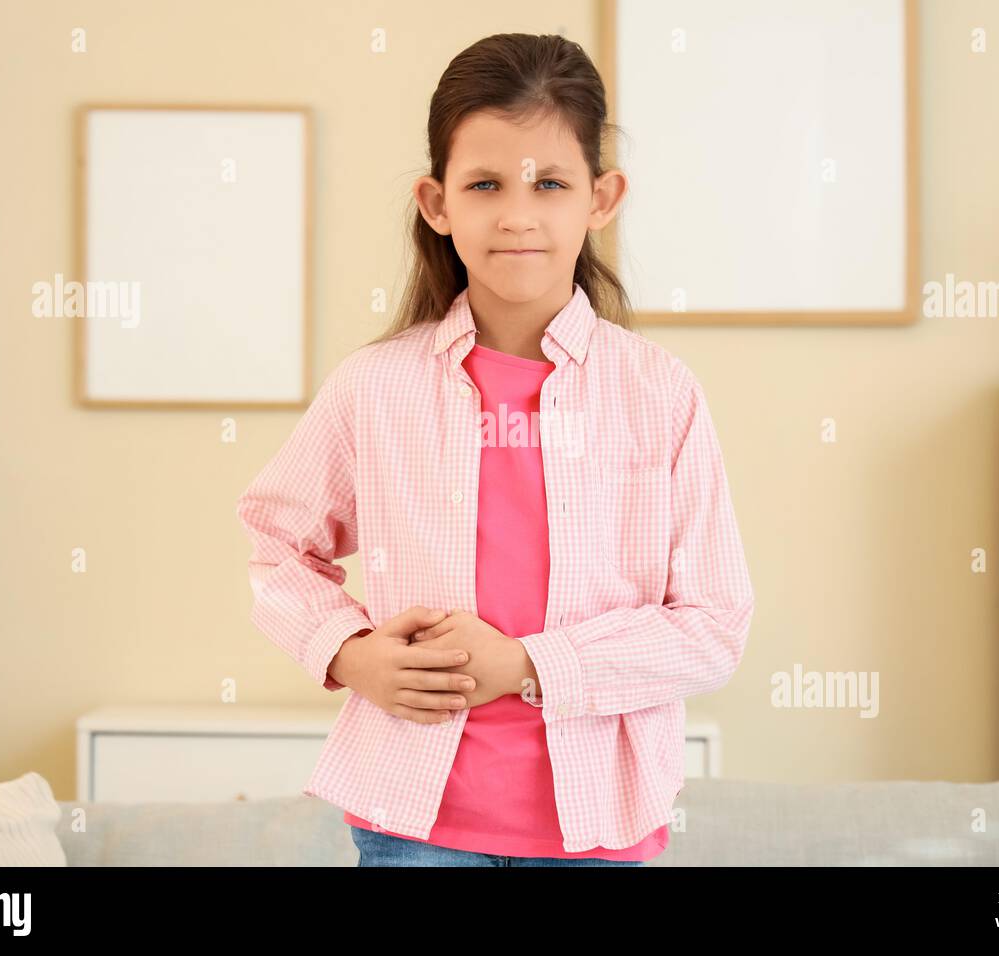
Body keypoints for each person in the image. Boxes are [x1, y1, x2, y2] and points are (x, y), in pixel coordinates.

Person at [235, 32, 755, 867]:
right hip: (414, 828)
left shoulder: (659, 395)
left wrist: (524, 664)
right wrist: (348, 653)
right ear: (438, 204)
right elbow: (275, 542)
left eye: (550, 183)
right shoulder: (376, 388)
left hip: (599, 832)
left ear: (602, 197)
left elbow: (713, 626)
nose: (518, 214)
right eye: (485, 185)